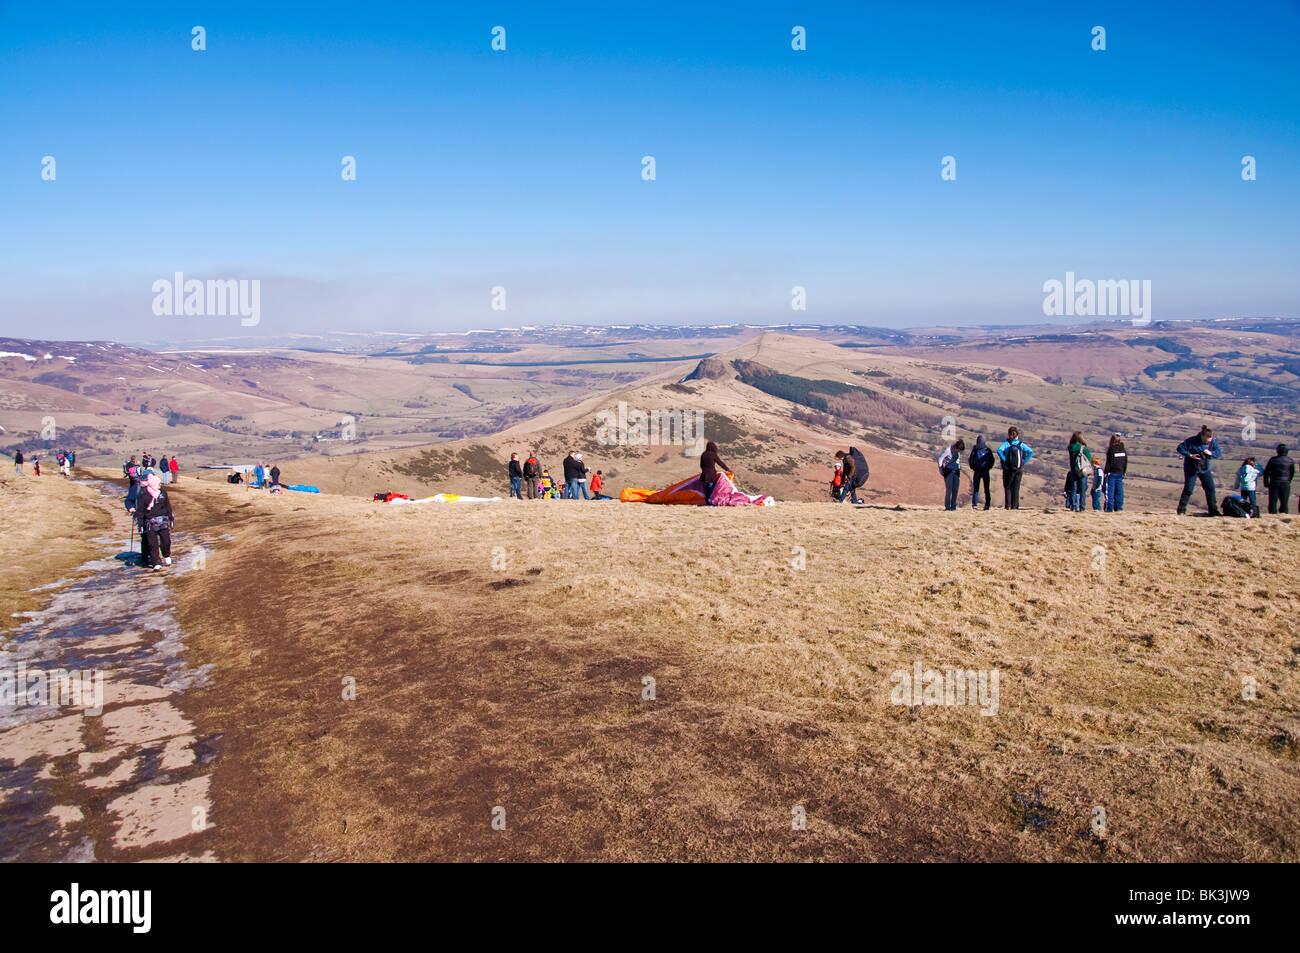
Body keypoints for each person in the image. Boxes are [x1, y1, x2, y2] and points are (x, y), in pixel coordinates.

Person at [132, 472, 174, 572]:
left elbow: (167, 506)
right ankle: (156, 562)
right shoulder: (144, 495)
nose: (160, 485)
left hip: (162, 520)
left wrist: (171, 517)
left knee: (166, 540)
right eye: (158, 483)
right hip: (150, 522)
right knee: (152, 543)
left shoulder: (163, 493)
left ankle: (166, 555)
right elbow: (141, 511)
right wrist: (140, 524)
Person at [1176, 425, 1222, 516]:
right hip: (1191, 468)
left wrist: (1211, 453)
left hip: (1205, 468)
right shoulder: (1191, 441)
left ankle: (1213, 511)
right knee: (1188, 489)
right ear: (1202, 436)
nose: (1207, 442)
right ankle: (1181, 510)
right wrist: (1190, 455)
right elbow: (1180, 448)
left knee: (1210, 489)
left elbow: (1218, 452)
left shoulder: (1212, 442)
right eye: (1206, 440)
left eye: (1209, 441)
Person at [997, 427, 1034, 509]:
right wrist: (1023, 461)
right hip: (1019, 469)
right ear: (1017, 435)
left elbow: (999, 451)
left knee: (1007, 487)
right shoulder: (1021, 444)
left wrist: (1005, 460)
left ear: (1009, 434)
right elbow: (1031, 452)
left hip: (1008, 469)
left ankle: (1007, 505)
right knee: (1016, 488)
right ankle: (1015, 506)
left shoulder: (1006, 444)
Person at [1263, 444, 1294, 514]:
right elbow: (1292, 473)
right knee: (1284, 501)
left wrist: (1266, 482)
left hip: (1274, 482)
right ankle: (1284, 515)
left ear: (1278, 451)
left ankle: (1272, 515)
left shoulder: (1273, 460)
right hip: (1285, 483)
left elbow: (1266, 472)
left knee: (1273, 501)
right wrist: (1288, 481)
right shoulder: (1290, 461)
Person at [1064, 432, 1090, 512]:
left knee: (1073, 489)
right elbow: (1088, 458)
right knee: (1082, 490)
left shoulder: (1070, 448)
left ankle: (1073, 506)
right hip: (1082, 471)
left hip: (1073, 470)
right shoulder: (1083, 448)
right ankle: (1082, 507)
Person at [968, 434, 995, 510]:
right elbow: (992, 460)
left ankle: (974, 505)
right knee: (986, 489)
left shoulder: (975, 450)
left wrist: (973, 468)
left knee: (976, 489)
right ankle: (987, 505)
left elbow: (970, 460)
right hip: (985, 471)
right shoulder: (987, 450)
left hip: (977, 471)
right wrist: (988, 467)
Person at [937, 439, 965, 511]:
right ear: (956, 447)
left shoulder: (958, 452)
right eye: (959, 450)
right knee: (949, 490)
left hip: (956, 471)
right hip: (948, 471)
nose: (959, 452)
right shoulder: (948, 450)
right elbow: (940, 459)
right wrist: (941, 470)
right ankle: (947, 507)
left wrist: (958, 467)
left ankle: (953, 507)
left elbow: (958, 460)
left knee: (955, 490)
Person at [700, 440, 729, 506]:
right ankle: (710, 503)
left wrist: (705, 470)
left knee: (706, 491)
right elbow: (720, 463)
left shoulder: (703, 454)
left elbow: (701, 465)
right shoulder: (713, 454)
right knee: (711, 490)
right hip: (711, 475)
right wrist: (727, 469)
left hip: (704, 475)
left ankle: (707, 503)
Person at [1103, 433, 1127, 512]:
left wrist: (1106, 472)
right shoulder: (1123, 450)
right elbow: (1125, 462)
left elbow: (1109, 462)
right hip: (1120, 473)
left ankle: (1109, 508)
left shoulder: (1111, 450)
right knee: (1119, 491)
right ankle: (1119, 508)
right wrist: (1124, 471)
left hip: (1112, 473)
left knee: (1110, 492)